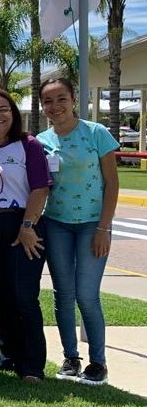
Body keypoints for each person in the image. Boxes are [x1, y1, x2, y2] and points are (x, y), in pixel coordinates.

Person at [37, 78, 117, 385]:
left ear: (73, 99)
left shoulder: (97, 133)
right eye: (48, 101)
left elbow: (112, 182)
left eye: (61, 99)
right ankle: (70, 358)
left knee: (86, 295)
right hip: (56, 223)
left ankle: (98, 362)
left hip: (91, 225)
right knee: (63, 294)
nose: (55, 106)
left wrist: (104, 228)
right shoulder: (41, 141)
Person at [0, 89, 50, 383]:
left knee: (24, 297)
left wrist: (28, 226)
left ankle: (31, 367)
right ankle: (9, 356)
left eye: (3, 109)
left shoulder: (28, 145)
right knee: (0, 296)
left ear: (13, 113)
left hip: (21, 226)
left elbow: (40, 188)